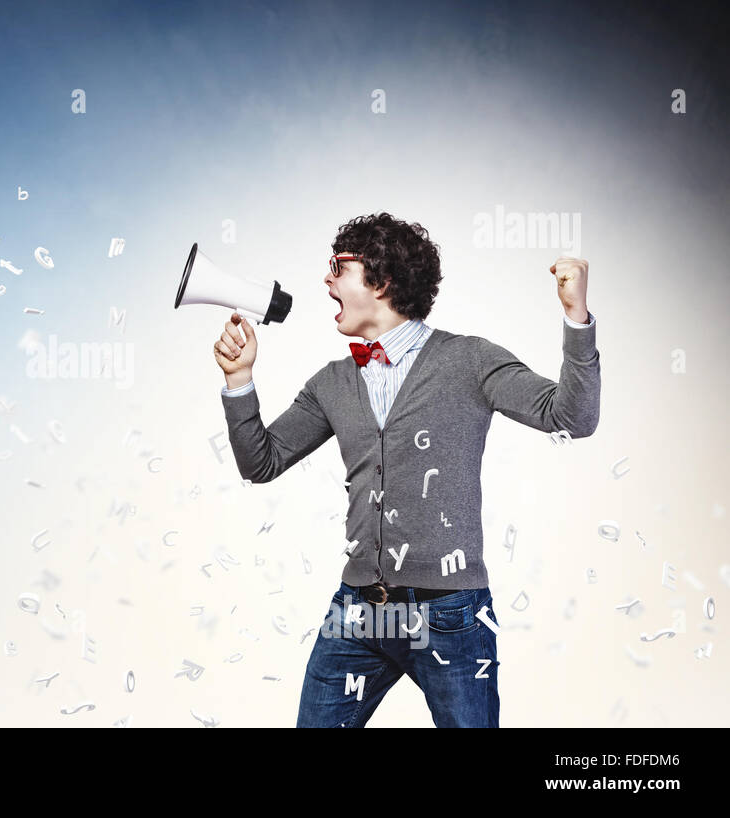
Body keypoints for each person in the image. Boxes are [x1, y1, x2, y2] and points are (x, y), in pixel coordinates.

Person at [213, 212, 600, 727]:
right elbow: (261, 462)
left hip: (450, 616)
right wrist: (239, 378)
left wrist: (576, 319)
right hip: (357, 613)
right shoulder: (331, 383)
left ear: (382, 279)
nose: (325, 279)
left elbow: (572, 417)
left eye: (338, 267)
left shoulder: (470, 360)